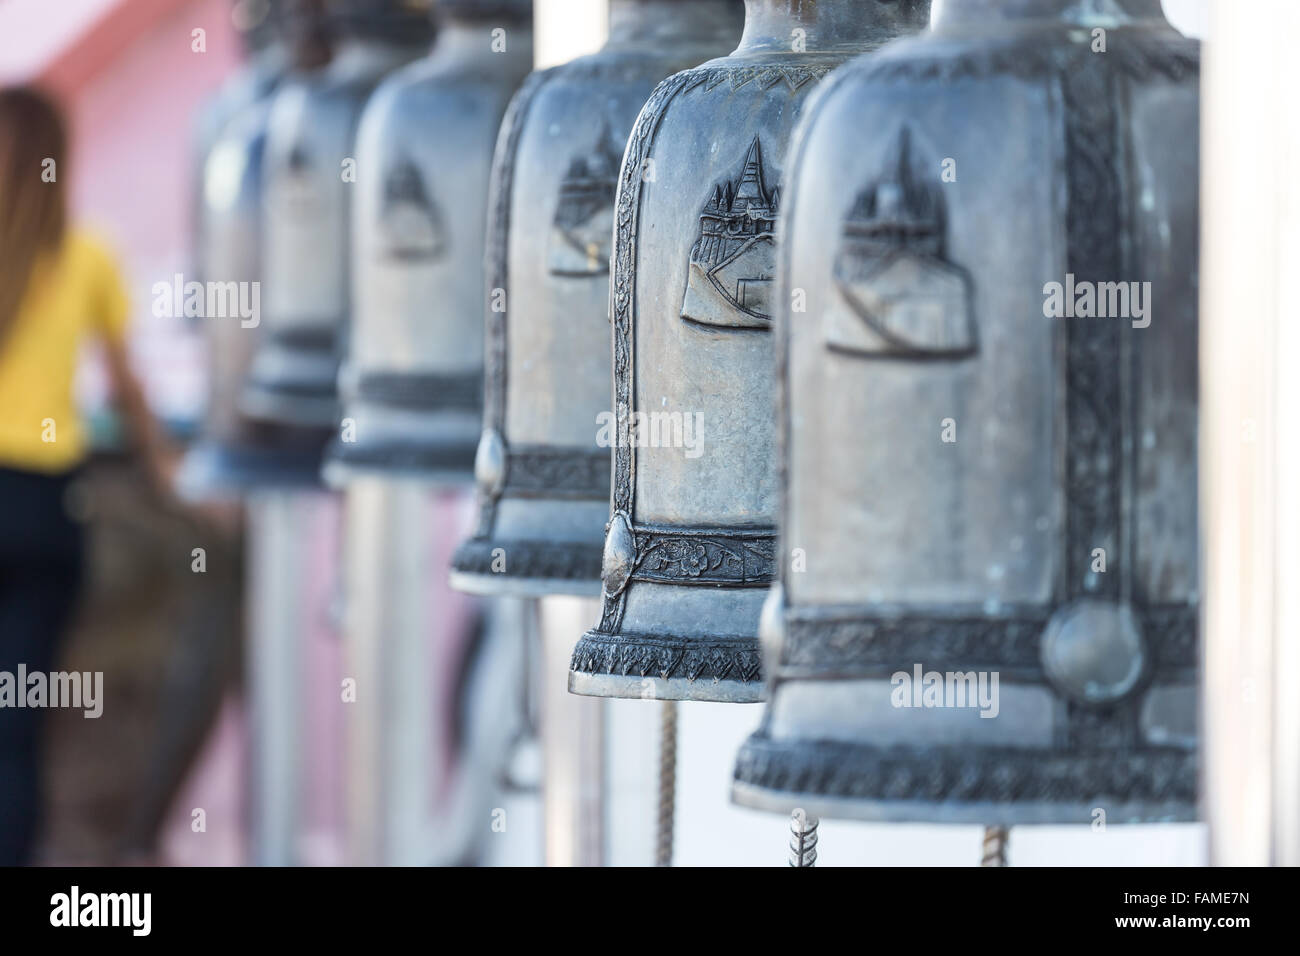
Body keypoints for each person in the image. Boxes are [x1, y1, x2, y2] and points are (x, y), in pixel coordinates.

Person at [0, 85, 173, 865]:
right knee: (20, 719)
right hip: (42, 512)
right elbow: (128, 391)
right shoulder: (88, 255)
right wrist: (169, 472)